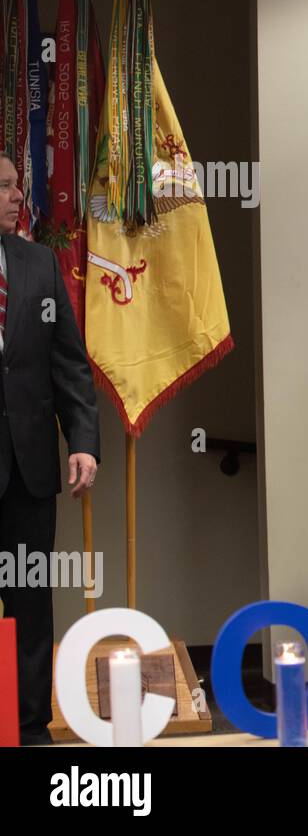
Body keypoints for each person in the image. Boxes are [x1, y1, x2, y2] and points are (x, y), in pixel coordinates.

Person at [0, 155, 99, 746]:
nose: (19, 197)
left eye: (17, 186)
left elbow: (68, 360)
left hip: (30, 468)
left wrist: (83, 441)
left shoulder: (39, 264)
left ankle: (30, 728)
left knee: (30, 602)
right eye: (7, 188)